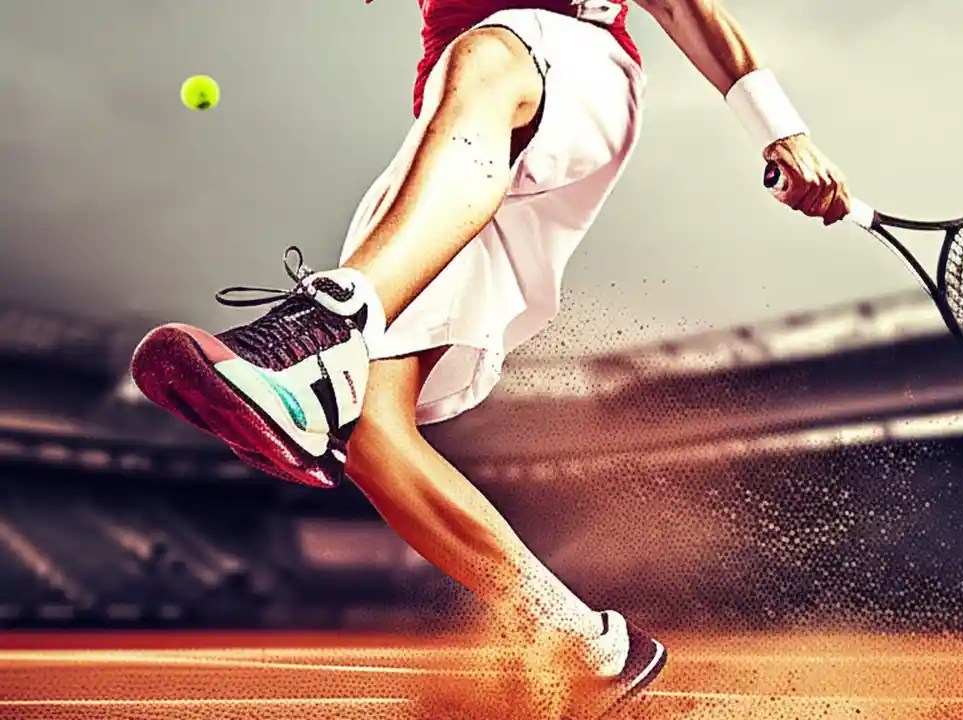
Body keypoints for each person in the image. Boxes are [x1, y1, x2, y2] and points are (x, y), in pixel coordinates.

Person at [129, 0, 851, 715]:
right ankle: (586, 644)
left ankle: (329, 319)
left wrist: (780, 127)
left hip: (554, 68)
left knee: (485, 54)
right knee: (369, 432)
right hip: (454, 150)